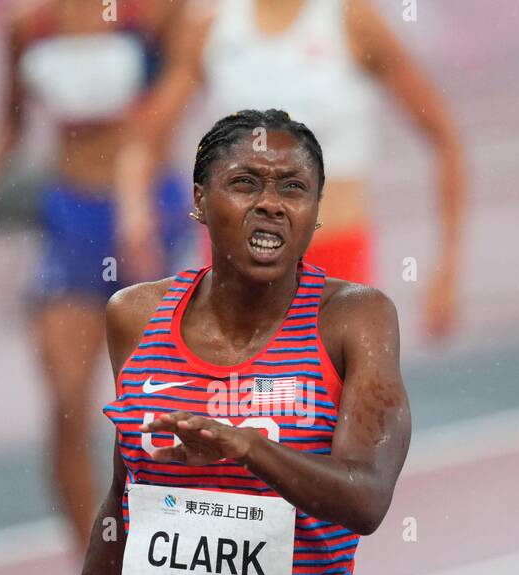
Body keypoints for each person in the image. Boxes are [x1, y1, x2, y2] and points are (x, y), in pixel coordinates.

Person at [44, 109, 411, 575]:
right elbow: (124, 505)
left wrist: (249, 447)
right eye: (246, 182)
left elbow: (366, 496)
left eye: (293, 187)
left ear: (315, 212)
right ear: (199, 200)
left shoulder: (354, 321)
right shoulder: (137, 317)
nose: (271, 201)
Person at [0, 0, 192, 554]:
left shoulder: (156, 13)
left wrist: (135, 201)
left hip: (145, 217)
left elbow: (166, 113)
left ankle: (173, 553)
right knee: (65, 402)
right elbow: (11, 124)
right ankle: (95, 568)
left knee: (155, 406)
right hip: (69, 218)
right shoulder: (27, 26)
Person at [115, 0, 467, 339]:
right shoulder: (213, 26)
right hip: (240, 266)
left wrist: (446, 269)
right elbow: (144, 143)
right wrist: (135, 214)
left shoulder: (351, 19)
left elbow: (443, 138)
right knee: (253, 397)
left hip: (332, 263)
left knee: (332, 396)